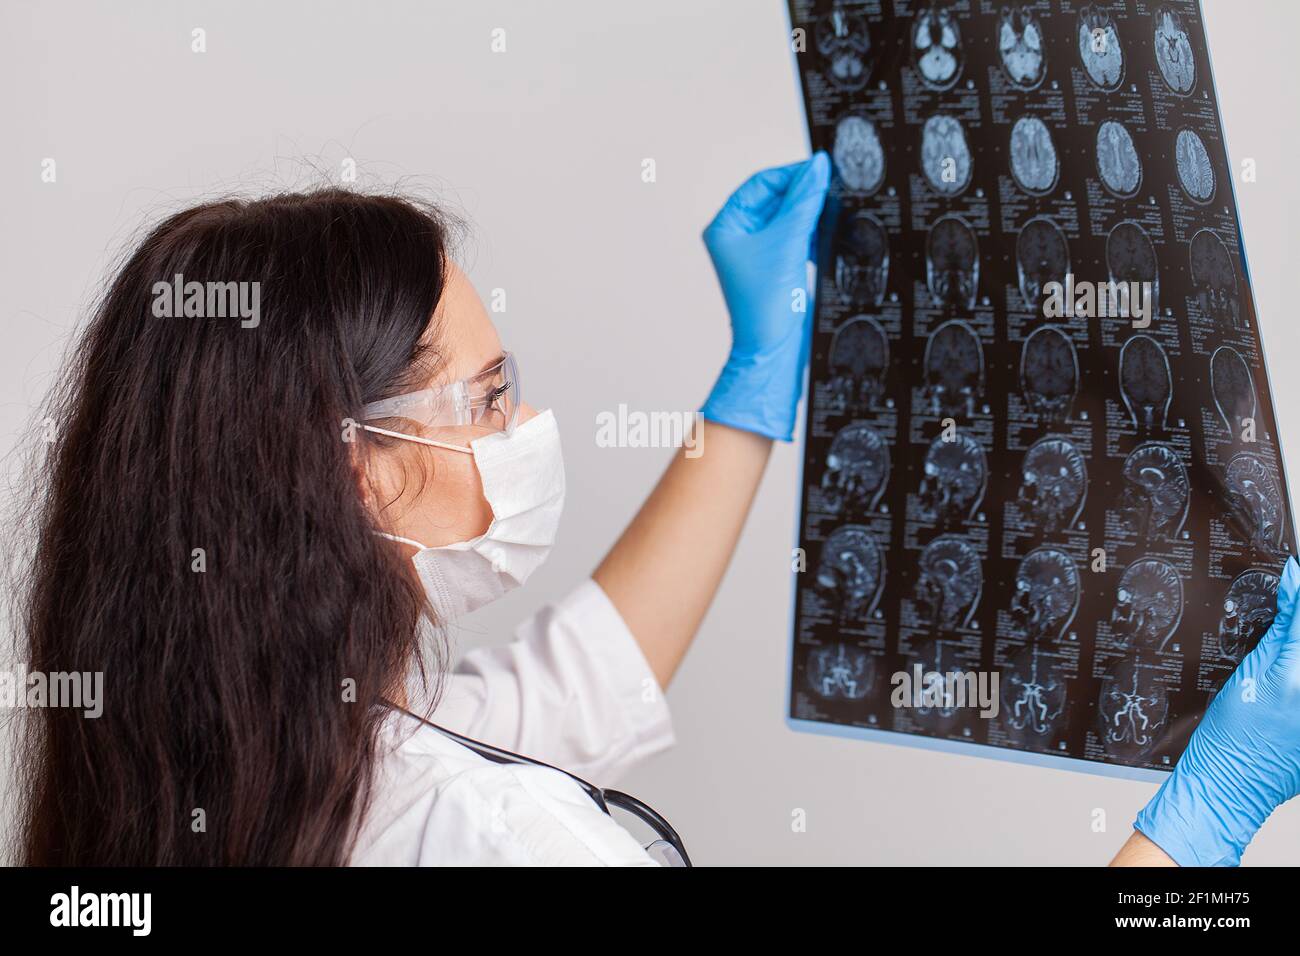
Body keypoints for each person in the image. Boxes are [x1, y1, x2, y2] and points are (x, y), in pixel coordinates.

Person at [12, 150, 1300, 866]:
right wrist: (1200, 829)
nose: (524, 431)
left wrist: (750, 386)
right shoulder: (498, 840)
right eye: (489, 396)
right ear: (361, 470)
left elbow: (577, 691)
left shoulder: (231, 780)